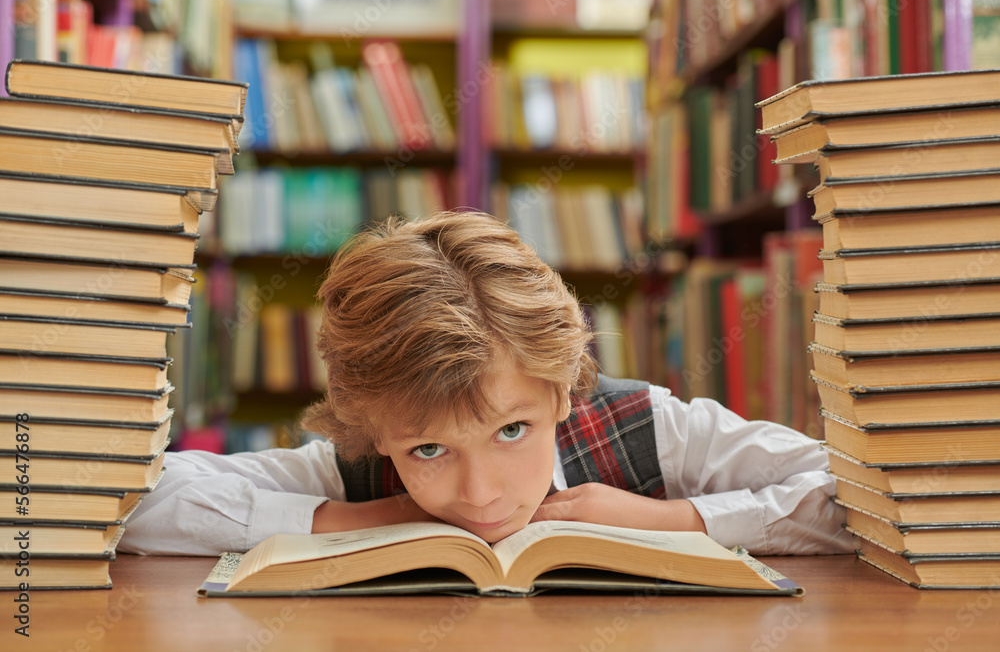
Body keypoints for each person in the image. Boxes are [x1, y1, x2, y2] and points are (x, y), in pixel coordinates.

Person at [120, 210, 853, 556]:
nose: (479, 494)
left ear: (562, 390)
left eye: (512, 430)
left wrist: (663, 517)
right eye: (429, 450)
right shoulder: (354, 471)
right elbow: (129, 495)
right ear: (378, 430)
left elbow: (856, 496)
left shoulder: (652, 429)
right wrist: (357, 520)